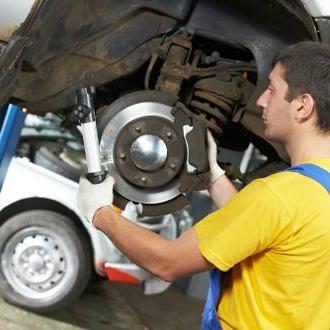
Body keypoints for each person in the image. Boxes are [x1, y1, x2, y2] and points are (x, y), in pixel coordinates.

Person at [78, 41, 330, 329]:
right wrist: (213, 176)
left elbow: (167, 263)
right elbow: (267, 229)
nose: (261, 100)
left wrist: (101, 213)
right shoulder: (313, 194)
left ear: (302, 105)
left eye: (272, 89)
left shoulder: (280, 194)